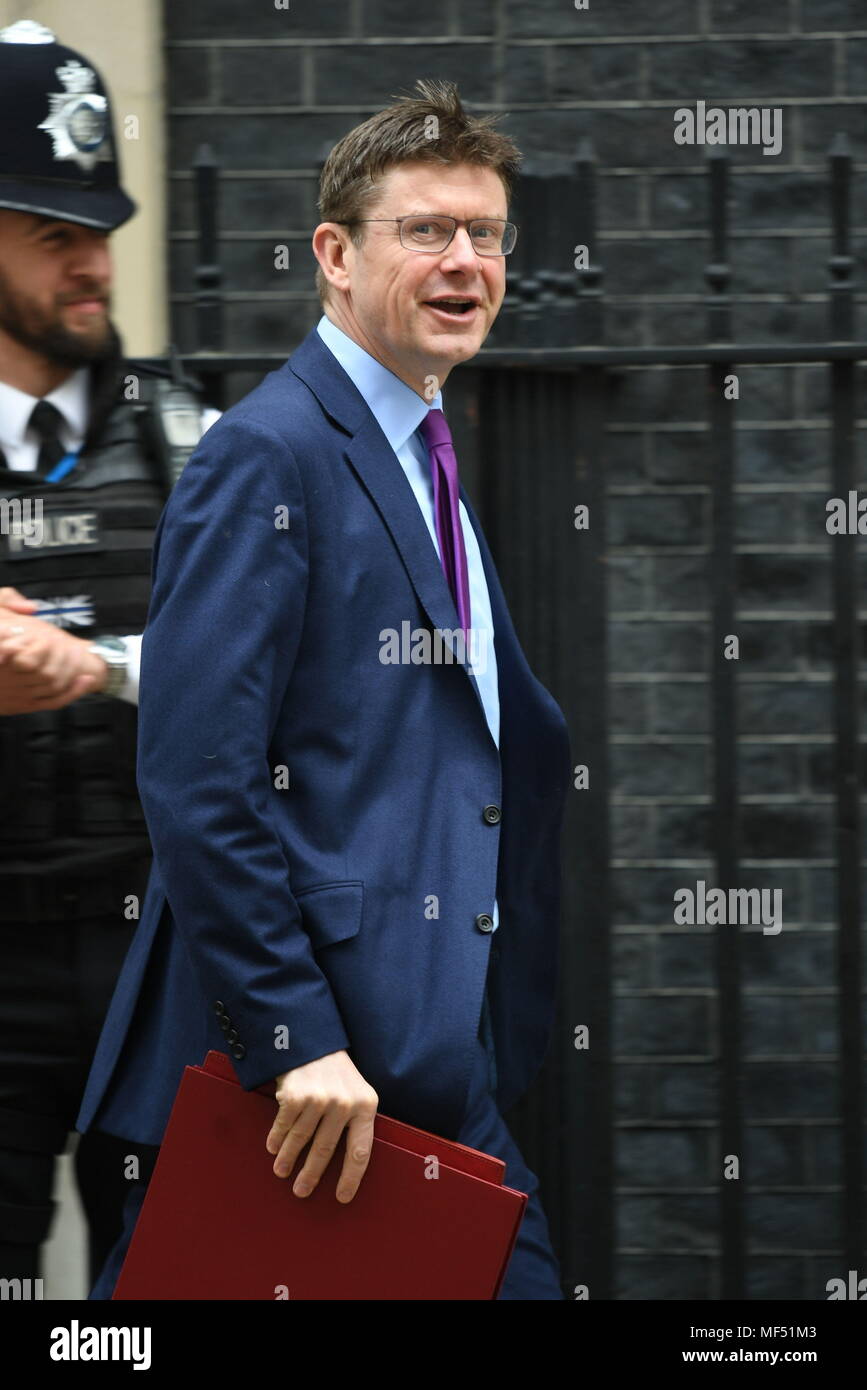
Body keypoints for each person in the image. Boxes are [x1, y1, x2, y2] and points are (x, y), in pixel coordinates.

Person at [78, 78, 572, 1300]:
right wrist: (294, 1036)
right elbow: (196, 776)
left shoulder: (419, 449)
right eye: (426, 230)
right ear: (336, 257)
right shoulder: (268, 452)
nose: (466, 261)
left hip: (426, 1048)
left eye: (487, 233)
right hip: (309, 1076)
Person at [0, 19, 212, 1291]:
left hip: (162, 961)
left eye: (102, 229)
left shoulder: (197, 440)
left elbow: (286, 681)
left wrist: (99, 664)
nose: (94, 264)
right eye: (52, 233)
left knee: (158, 1297)